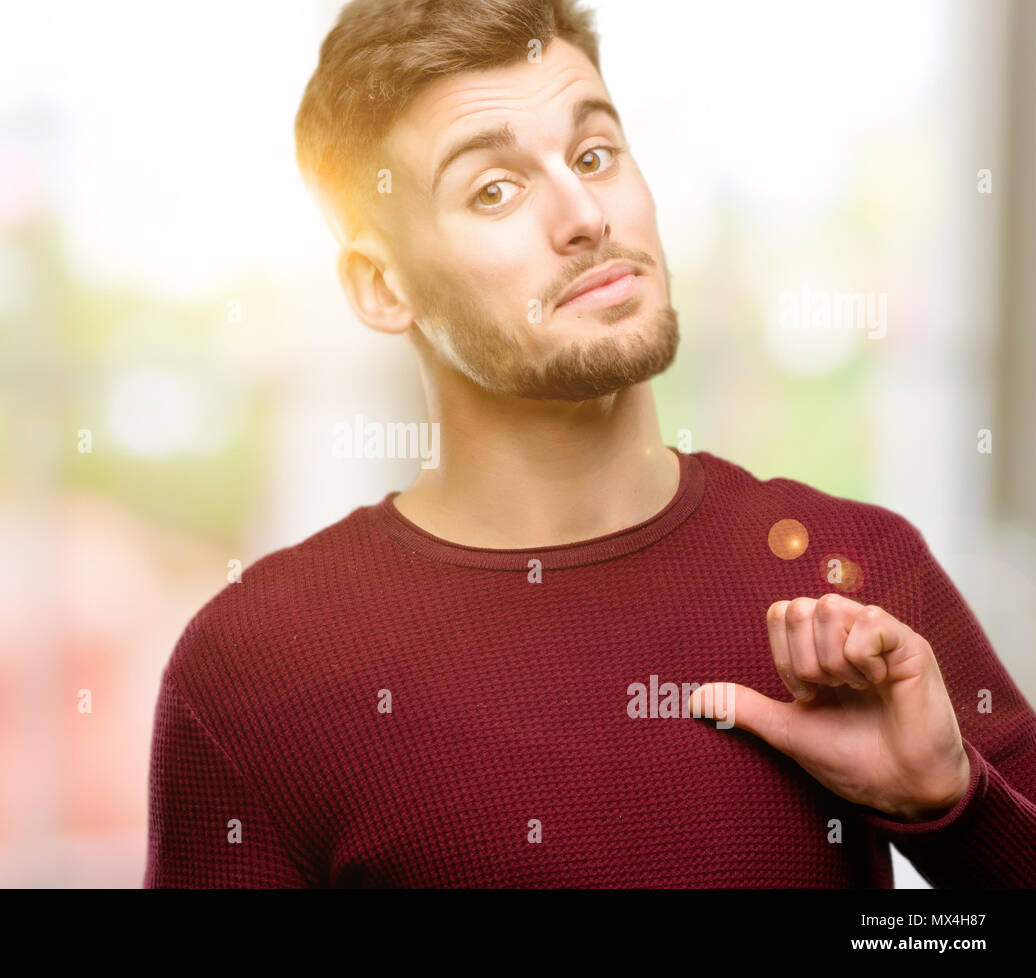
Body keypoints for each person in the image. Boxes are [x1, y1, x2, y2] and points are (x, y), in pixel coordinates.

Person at [144, 0, 1036, 887]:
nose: (583, 214)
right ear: (381, 286)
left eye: (594, 154)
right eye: (494, 189)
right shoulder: (255, 669)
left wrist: (950, 807)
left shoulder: (862, 577)